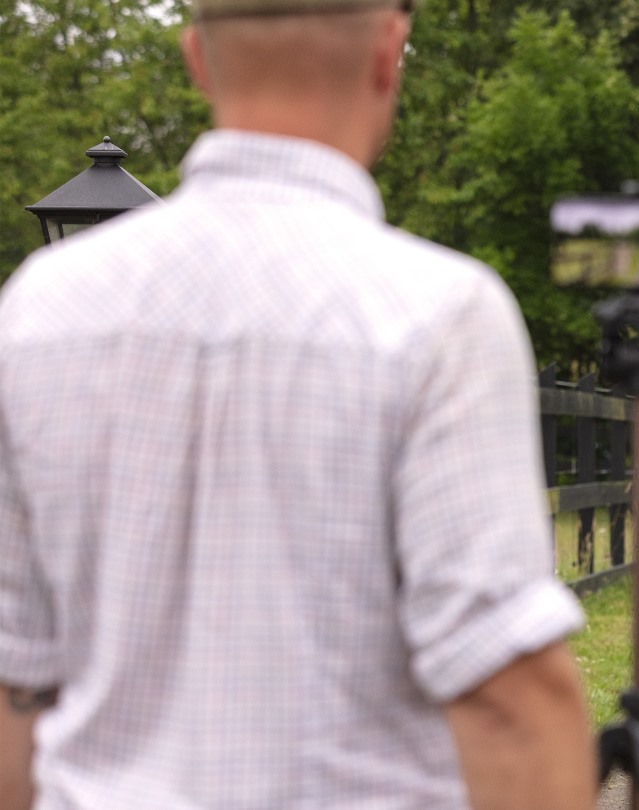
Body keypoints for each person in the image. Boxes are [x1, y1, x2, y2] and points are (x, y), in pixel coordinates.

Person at [0, 2, 596, 808]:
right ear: (391, 49)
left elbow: (14, 687)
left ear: (197, 60)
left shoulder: (39, 310)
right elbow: (507, 698)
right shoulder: (436, 314)